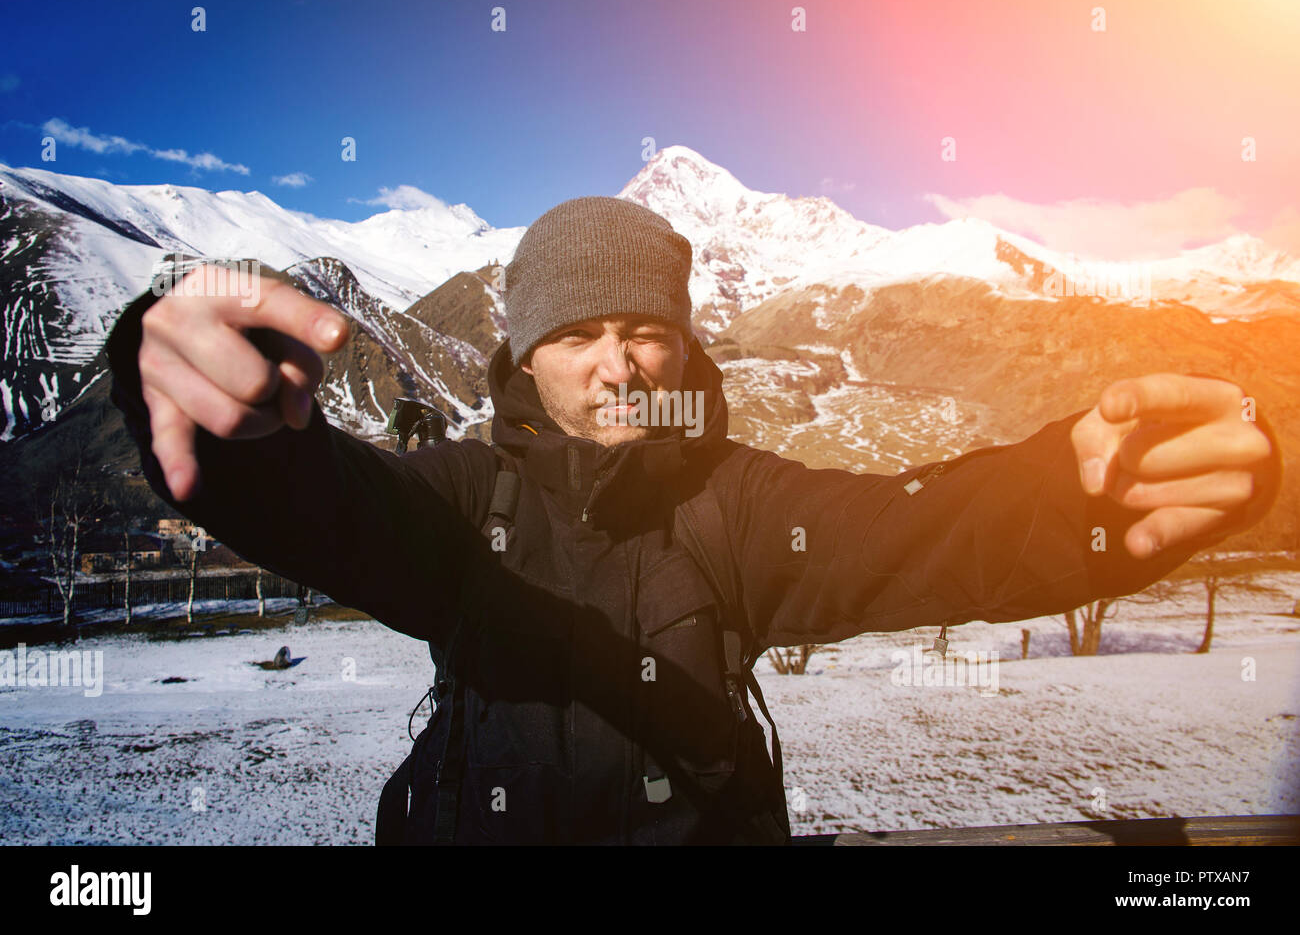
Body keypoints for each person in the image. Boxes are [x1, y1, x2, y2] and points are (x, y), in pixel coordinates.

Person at [105, 195, 1282, 844]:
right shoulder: (462, 500)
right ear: (524, 358)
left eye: (642, 331)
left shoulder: (739, 503)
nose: (615, 367)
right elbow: (331, 508)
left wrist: (1067, 494)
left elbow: (919, 531)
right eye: (574, 336)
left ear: (683, 346)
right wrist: (213, 422)